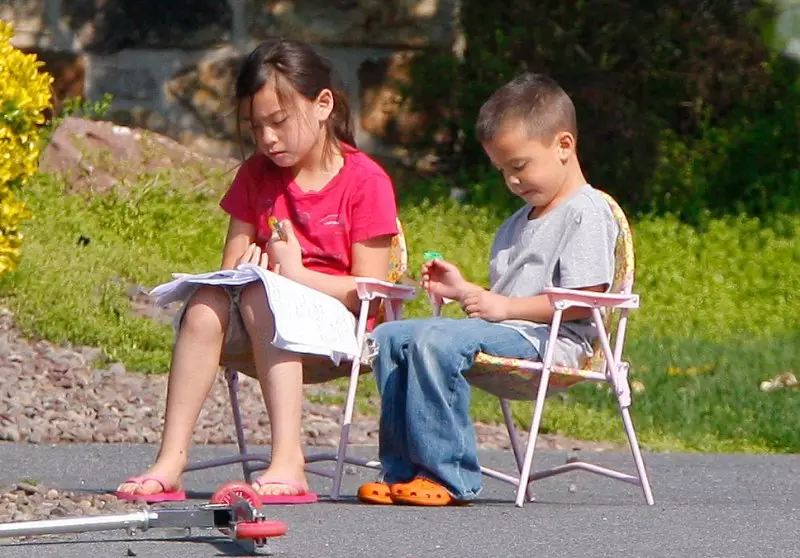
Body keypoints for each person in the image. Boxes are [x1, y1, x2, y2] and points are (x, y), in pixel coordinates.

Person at [116, 39, 399, 504]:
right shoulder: (256, 175)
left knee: (261, 296)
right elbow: (231, 264)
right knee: (208, 303)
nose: (267, 139)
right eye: (256, 127)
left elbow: (373, 293)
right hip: (262, 315)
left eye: (279, 122)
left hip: (339, 329)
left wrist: (296, 276)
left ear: (323, 104)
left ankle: (289, 460)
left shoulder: (365, 181)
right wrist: (244, 268)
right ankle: (171, 460)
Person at [357, 73, 619, 506]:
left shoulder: (586, 212)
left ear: (564, 147)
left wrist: (504, 305)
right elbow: (501, 306)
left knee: (436, 338)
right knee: (392, 336)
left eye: (520, 166)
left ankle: (446, 475)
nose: (513, 181)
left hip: (555, 341)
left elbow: (584, 299)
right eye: (503, 171)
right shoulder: (516, 224)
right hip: (515, 330)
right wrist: (463, 290)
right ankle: (403, 470)